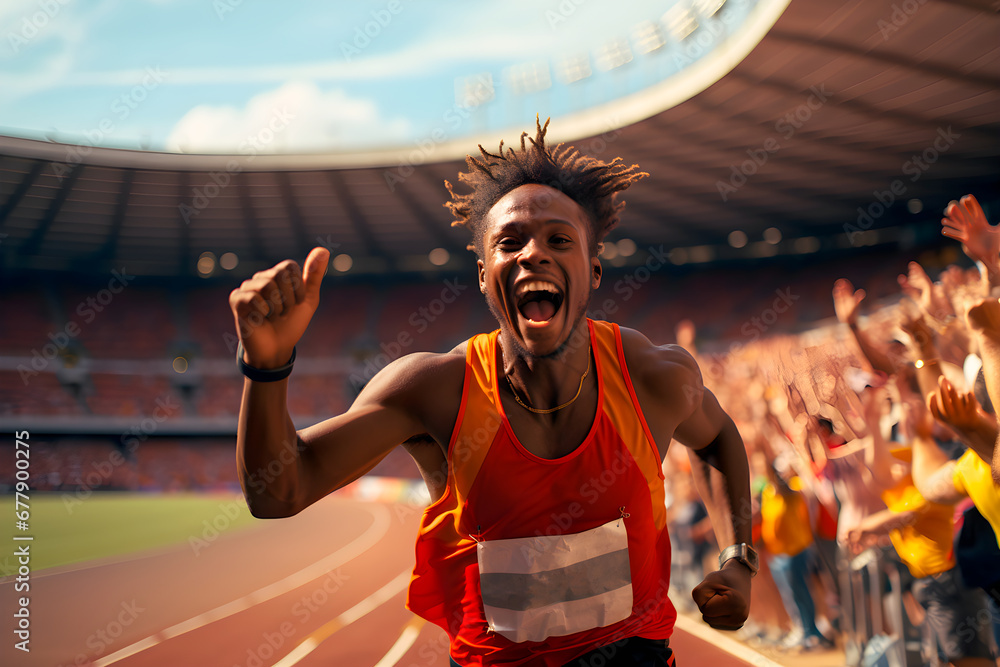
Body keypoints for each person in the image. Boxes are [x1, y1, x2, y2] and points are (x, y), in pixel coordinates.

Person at [228, 118, 754, 666]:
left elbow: (716, 438)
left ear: (593, 270)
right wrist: (266, 369)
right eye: (510, 242)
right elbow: (277, 493)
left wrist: (738, 559)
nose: (533, 255)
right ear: (484, 276)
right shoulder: (434, 389)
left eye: (558, 240)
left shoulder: (651, 377)